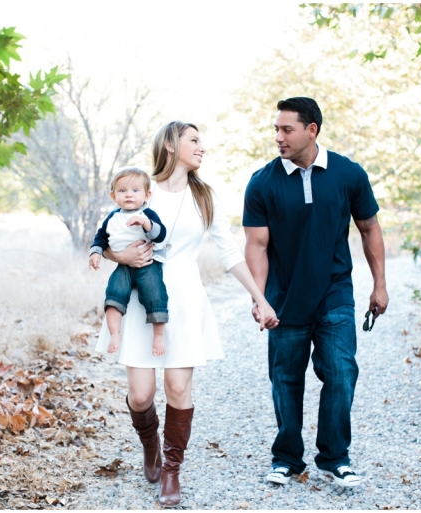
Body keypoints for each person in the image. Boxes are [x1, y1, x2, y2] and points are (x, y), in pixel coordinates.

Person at [95, 121, 279, 507]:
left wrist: (259, 298)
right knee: (141, 396)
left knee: (179, 388)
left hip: (185, 296)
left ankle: (171, 469)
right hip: (141, 294)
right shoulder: (142, 188)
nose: (202, 147)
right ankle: (150, 444)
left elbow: (229, 251)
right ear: (170, 145)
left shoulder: (204, 196)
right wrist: (119, 256)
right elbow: (109, 237)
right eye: (193, 140)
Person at [243, 97, 388, 488]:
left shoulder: (348, 174)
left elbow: (370, 228)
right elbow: (257, 245)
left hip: (334, 293)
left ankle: (335, 458)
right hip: (284, 299)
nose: (278, 137)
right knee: (285, 380)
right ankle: (287, 459)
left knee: (341, 372)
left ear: (312, 130)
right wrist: (259, 298)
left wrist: (379, 284)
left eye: (286, 129)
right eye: (276, 129)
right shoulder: (262, 182)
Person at [89, 167, 169, 357]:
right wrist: (96, 252)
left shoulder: (148, 214)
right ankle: (115, 334)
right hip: (123, 266)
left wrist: (145, 224)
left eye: (135, 190)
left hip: (148, 265)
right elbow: (101, 237)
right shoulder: (113, 217)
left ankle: (158, 336)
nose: (129, 195)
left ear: (147, 195)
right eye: (122, 190)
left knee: (155, 293)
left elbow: (161, 235)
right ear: (113, 196)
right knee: (114, 294)